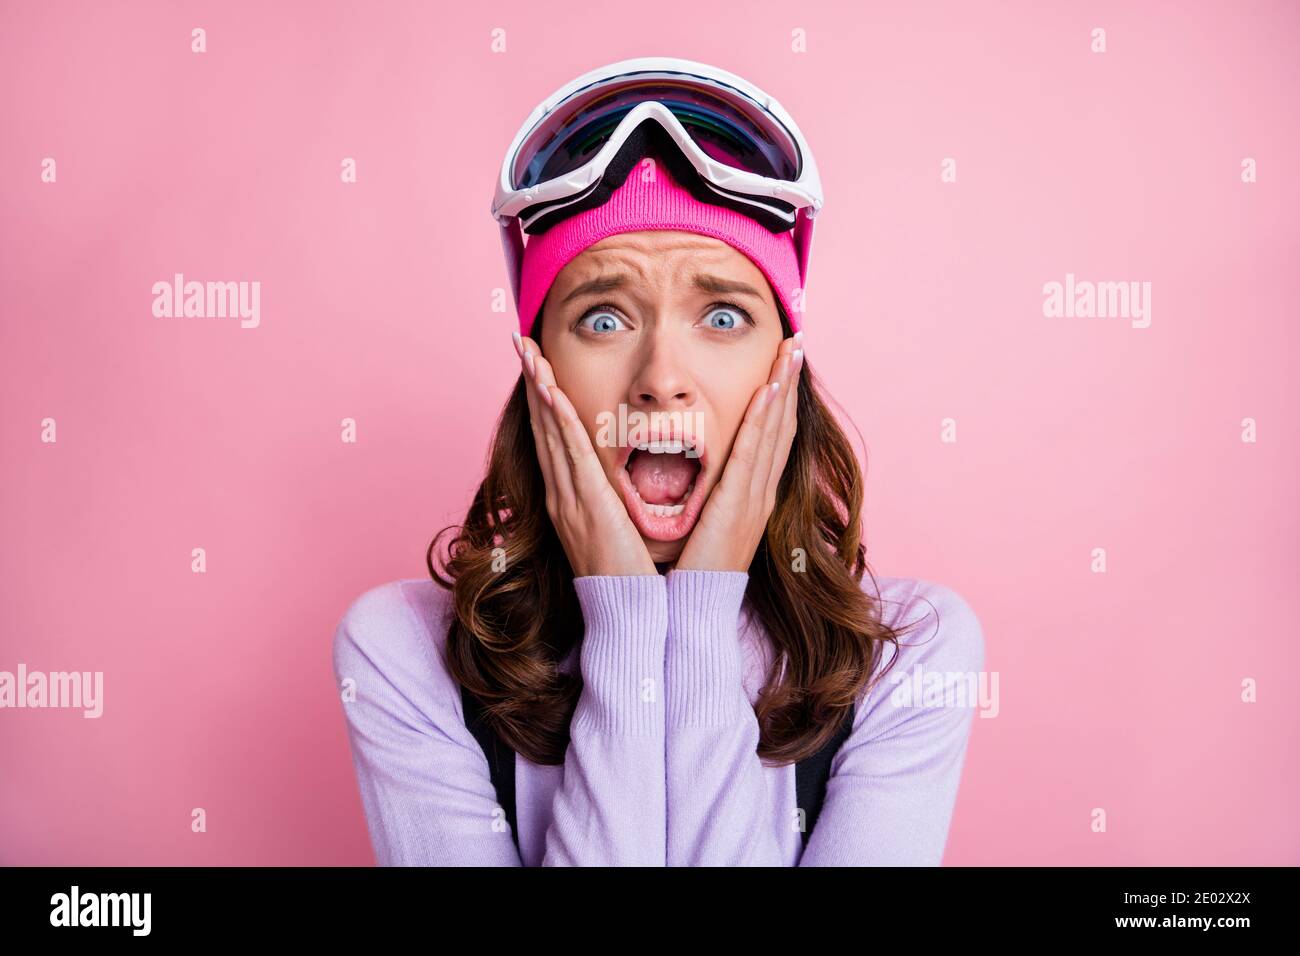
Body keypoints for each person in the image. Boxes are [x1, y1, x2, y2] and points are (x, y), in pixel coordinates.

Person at [332, 57, 984, 866]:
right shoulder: (403, 657)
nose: (661, 381)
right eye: (603, 319)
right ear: (540, 375)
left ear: (785, 369)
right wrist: (627, 616)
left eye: (722, 314)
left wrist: (703, 609)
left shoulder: (911, 657)